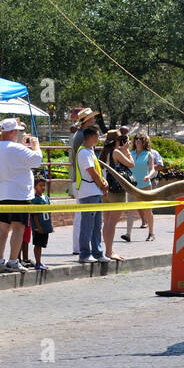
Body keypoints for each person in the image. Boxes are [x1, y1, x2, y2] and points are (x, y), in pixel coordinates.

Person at [0, 119, 41, 271]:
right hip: (19, 193)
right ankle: (13, 261)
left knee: (2, 228)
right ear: (12, 132)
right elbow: (37, 160)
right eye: (17, 131)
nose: (19, 134)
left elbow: (14, 156)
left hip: (1, 193)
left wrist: (24, 147)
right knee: (18, 228)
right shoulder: (16, 148)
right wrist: (35, 145)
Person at [76, 125, 107, 262]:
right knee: (87, 225)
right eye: (98, 135)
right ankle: (85, 253)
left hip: (94, 191)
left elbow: (96, 171)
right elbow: (91, 172)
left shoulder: (90, 151)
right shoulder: (83, 152)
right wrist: (102, 184)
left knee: (96, 225)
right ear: (93, 137)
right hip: (88, 192)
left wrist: (102, 183)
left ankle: (98, 253)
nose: (99, 138)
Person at [69, 108, 97, 257]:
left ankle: (80, 246)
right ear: (86, 121)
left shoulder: (80, 135)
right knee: (81, 215)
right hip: (82, 180)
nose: (94, 120)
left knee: (81, 214)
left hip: (81, 180)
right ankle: (79, 246)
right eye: (92, 118)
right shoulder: (81, 137)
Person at [99, 129, 130, 260]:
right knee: (112, 222)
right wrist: (127, 150)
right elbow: (131, 164)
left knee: (106, 222)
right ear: (117, 141)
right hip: (117, 190)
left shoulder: (103, 152)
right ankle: (109, 251)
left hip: (105, 190)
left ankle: (107, 249)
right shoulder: (116, 152)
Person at [127, 131, 156, 242]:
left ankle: (151, 233)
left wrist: (148, 175)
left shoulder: (148, 154)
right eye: (136, 138)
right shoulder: (131, 154)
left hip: (145, 186)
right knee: (130, 210)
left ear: (144, 142)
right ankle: (128, 234)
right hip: (132, 186)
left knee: (148, 210)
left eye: (140, 139)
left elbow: (152, 168)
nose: (138, 140)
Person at [30, 172, 54, 270]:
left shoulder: (47, 198)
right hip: (38, 227)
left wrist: (50, 225)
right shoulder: (34, 199)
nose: (43, 187)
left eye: (44, 185)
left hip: (46, 225)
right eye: (40, 185)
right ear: (35, 186)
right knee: (38, 244)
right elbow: (34, 214)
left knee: (42, 244)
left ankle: (40, 262)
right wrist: (38, 226)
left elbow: (49, 212)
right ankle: (38, 262)